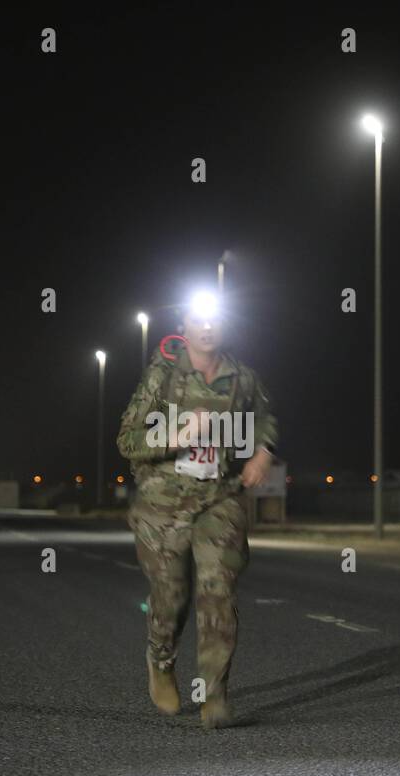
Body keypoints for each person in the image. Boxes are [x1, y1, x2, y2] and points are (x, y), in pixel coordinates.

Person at [116, 293, 277, 729]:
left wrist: (262, 451)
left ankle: (214, 693)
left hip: (218, 497)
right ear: (184, 327)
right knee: (171, 595)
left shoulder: (241, 377)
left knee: (218, 587)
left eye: (216, 320)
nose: (208, 328)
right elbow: (127, 439)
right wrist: (177, 435)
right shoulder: (161, 376)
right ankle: (161, 659)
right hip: (162, 503)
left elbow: (263, 418)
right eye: (199, 320)